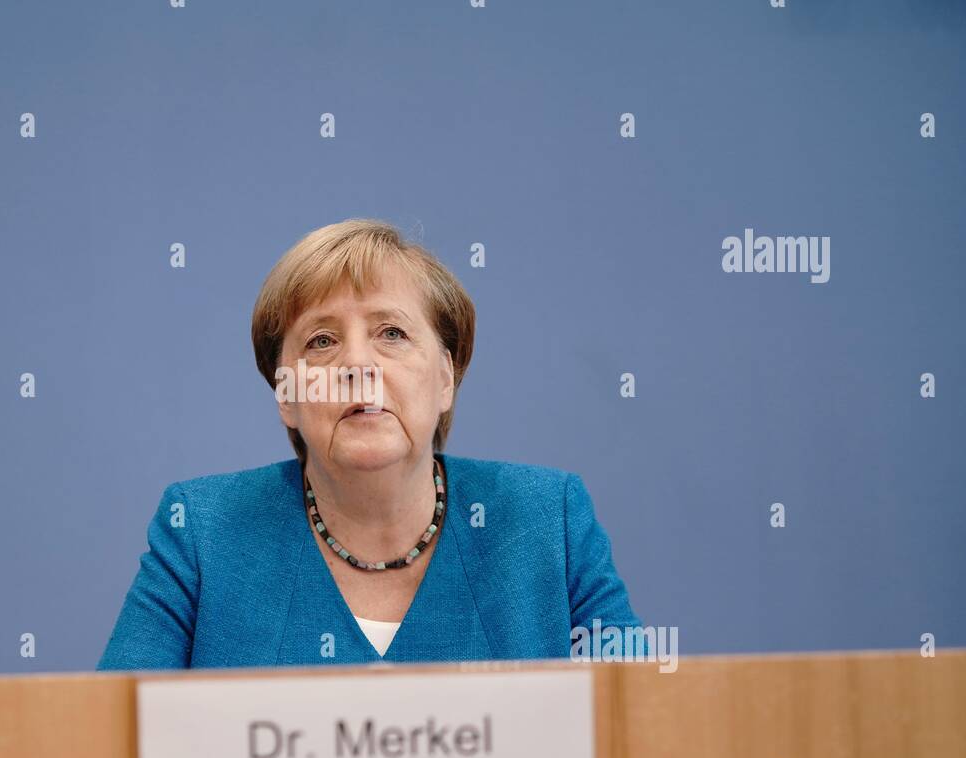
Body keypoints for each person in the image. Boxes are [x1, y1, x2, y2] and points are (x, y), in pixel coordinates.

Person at [97, 218, 641, 668]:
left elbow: (645, 725)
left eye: (392, 333)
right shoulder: (201, 532)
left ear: (446, 379)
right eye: (322, 340)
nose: (358, 365)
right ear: (285, 394)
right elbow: (107, 741)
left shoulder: (549, 520)